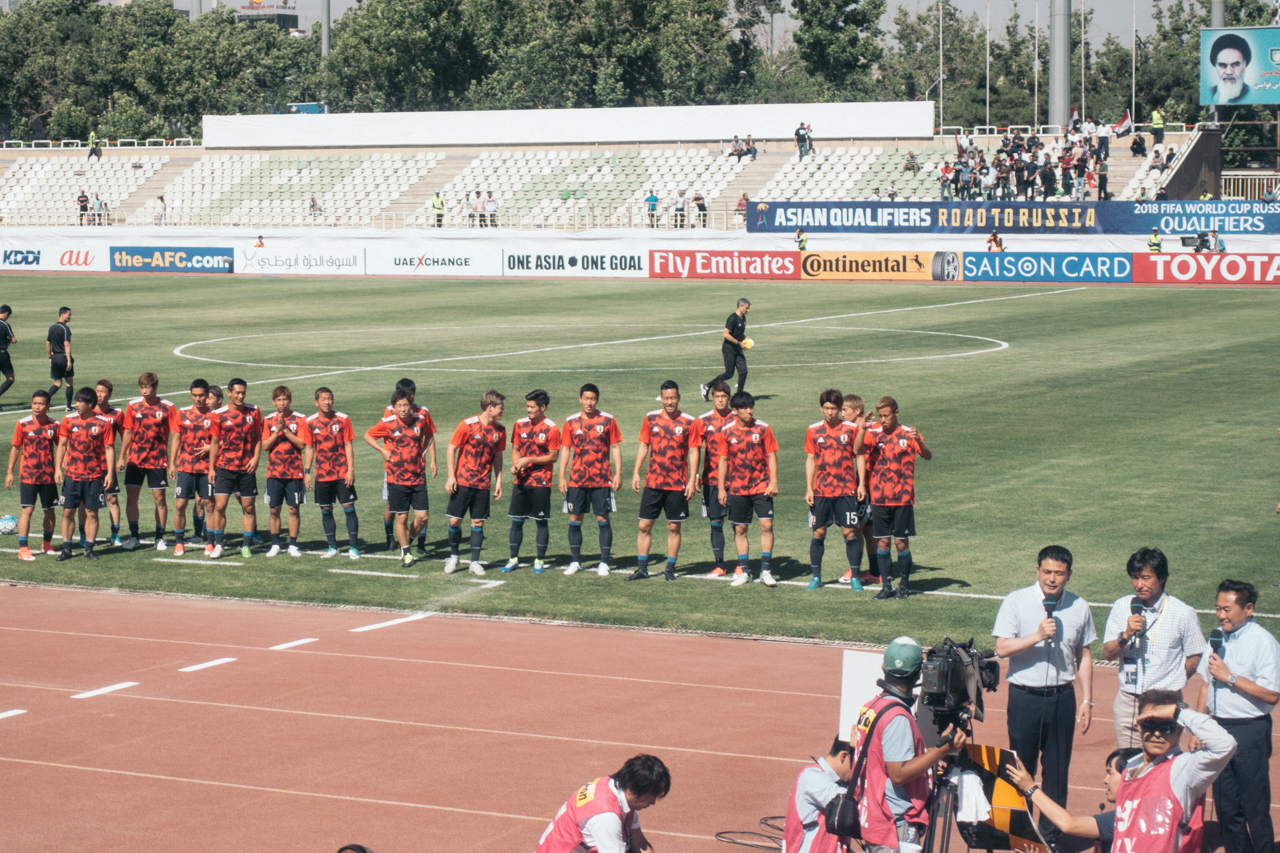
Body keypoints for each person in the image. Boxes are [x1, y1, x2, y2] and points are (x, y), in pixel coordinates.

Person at [1008, 681, 1236, 853]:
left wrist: (1178, 712)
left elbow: (1225, 744)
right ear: (1138, 726)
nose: (1157, 733)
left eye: (1166, 726)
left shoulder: (1184, 769)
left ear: (1179, 730)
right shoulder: (1129, 770)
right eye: (1149, 723)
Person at [992, 545, 1097, 849]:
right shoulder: (1016, 601)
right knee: (1020, 769)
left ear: (1069, 574)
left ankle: (1048, 840)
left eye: (1059, 573)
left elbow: (1084, 653)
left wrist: (1087, 699)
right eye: (1047, 572)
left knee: (1057, 774)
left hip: (1062, 699)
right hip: (1025, 698)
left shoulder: (1079, 607)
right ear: (1037, 570)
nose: (1052, 579)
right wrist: (1037, 636)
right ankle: (1021, 838)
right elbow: (1002, 648)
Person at [852, 637, 967, 853]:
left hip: (874, 815)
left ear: (884, 667)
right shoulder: (897, 717)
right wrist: (943, 749)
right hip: (893, 824)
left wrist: (933, 753)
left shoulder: (871, 707)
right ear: (920, 674)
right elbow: (898, 773)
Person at [1194, 579, 1280, 853]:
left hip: (1249, 730)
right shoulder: (1216, 638)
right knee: (1226, 808)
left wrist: (1230, 677)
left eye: (1228, 609)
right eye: (1218, 608)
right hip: (1218, 729)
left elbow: (1271, 695)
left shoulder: (1264, 642)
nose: (1221, 615)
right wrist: (1199, 725)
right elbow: (1206, 684)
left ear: (1249, 608)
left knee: (1254, 807)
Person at [1103, 548, 1206, 748]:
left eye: (1146, 578)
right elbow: (1108, 654)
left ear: (1162, 578)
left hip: (1165, 702)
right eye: (1135, 578)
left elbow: (1195, 656)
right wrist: (1125, 636)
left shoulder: (1183, 613)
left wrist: (1173, 680)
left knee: (1162, 766)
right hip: (1128, 701)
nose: (1139, 585)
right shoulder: (1122, 606)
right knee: (1128, 767)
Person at [854, 397, 931, 600]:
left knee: (901, 544)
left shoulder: (909, 433)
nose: (883, 419)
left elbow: (927, 455)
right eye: (881, 416)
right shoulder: (874, 433)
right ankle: (886, 586)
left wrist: (920, 441)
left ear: (896, 413)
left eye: (886, 415)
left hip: (903, 499)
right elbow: (857, 450)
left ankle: (904, 586)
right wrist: (862, 428)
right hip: (879, 499)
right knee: (882, 543)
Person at [628, 381, 703, 582]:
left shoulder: (689, 422)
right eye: (666, 398)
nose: (670, 402)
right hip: (653, 483)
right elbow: (644, 445)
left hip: (677, 484)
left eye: (673, 398)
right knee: (644, 526)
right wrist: (636, 472)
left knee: (673, 527)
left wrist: (692, 479)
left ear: (678, 398)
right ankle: (642, 568)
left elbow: (695, 451)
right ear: (661, 398)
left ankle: (670, 568)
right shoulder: (651, 418)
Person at [534, 754, 670, 853]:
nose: (652, 802)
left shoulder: (614, 787)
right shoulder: (606, 816)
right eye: (650, 797)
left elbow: (639, 843)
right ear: (632, 790)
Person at [804, 389, 866, 592]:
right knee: (819, 533)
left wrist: (861, 484)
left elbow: (859, 455)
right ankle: (816, 577)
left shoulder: (851, 428)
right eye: (826, 408)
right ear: (821, 408)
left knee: (849, 534)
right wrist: (809, 488)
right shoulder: (813, 429)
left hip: (846, 490)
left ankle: (855, 576)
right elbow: (811, 459)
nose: (830, 412)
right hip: (821, 491)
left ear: (840, 409)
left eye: (834, 409)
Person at [365, 388, 434, 568]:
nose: (403, 409)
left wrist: (424, 450)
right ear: (394, 408)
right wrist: (382, 451)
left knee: (422, 517)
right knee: (401, 517)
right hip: (396, 479)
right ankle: (406, 552)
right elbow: (368, 435)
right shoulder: (387, 422)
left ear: (411, 406)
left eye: (405, 405)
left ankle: (408, 538)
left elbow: (430, 434)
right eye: (399, 406)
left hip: (418, 477)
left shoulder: (420, 420)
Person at [557, 383, 622, 577]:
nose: (589, 402)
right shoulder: (570, 422)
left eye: (592, 399)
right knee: (575, 518)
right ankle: (576, 561)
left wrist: (618, 473)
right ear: (580, 399)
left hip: (601, 480)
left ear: (597, 400)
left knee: (602, 518)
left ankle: (604, 562)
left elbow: (616, 447)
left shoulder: (608, 420)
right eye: (586, 398)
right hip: (577, 480)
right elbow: (566, 450)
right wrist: (561, 476)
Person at [716, 391, 779, 587]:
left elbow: (771, 455)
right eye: (745, 407)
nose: (749, 410)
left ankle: (766, 570)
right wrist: (721, 489)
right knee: (740, 529)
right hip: (738, 489)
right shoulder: (726, 432)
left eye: (751, 407)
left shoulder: (763, 429)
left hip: (761, 486)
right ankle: (744, 571)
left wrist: (773, 481)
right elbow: (723, 460)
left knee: (766, 526)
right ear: (734, 411)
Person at [444, 390, 507, 575]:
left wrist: (499, 481)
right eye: (500, 408)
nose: (503, 411)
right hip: (462, 482)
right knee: (455, 521)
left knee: (478, 522)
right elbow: (451, 449)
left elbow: (498, 456)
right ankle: (454, 557)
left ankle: (474, 562)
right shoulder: (467, 425)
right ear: (490, 408)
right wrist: (451, 476)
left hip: (482, 485)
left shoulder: (500, 430)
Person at [118, 372, 179, 551]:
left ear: (155, 387)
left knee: (159, 499)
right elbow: (127, 432)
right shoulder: (133, 406)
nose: (144, 391)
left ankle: (159, 537)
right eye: (142, 387)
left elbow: (176, 434)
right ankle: (134, 536)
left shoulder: (168, 407)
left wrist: (172, 462)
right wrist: (122, 456)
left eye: (147, 387)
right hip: (135, 461)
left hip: (158, 461)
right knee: (132, 498)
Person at [54, 387, 115, 561]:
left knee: (92, 513)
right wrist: (58, 468)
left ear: (90, 404)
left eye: (80, 401)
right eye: (76, 401)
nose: (76, 404)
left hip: (94, 477)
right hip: (72, 477)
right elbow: (62, 445)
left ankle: (89, 548)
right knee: (67, 512)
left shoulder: (103, 423)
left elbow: (110, 449)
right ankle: (66, 549)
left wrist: (109, 473)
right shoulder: (68, 420)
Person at [504, 389, 559, 574]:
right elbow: (515, 449)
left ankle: (540, 560)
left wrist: (528, 460)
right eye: (527, 406)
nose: (528, 410)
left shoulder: (552, 428)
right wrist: (516, 465)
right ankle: (513, 559)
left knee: (541, 521)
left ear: (542, 407)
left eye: (532, 407)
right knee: (517, 520)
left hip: (541, 482)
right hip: (521, 481)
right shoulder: (519, 424)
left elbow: (553, 457)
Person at [379, 378, 437, 554]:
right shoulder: (390, 411)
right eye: (405, 394)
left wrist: (433, 459)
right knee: (392, 507)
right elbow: (386, 433)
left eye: (411, 394)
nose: (408, 399)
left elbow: (430, 435)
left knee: (421, 511)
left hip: (417, 469)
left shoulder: (423, 412)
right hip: (395, 470)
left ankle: (419, 542)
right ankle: (390, 537)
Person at [207, 378, 261, 560]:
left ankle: (246, 545)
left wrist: (256, 457)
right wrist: (212, 468)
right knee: (220, 506)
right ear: (229, 393)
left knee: (249, 507)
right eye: (237, 392)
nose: (240, 396)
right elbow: (214, 443)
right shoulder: (219, 414)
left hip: (246, 469)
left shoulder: (254, 411)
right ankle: (219, 544)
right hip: (224, 467)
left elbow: (257, 437)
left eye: (243, 392)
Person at [304, 386, 358, 560]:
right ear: (316, 402)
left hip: (342, 473)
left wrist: (350, 469)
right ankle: (332, 547)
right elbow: (309, 448)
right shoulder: (310, 422)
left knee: (348, 508)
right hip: (322, 475)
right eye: (324, 399)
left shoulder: (342, 419)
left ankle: (354, 547)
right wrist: (307, 472)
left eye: (330, 398)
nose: (327, 402)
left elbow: (348, 444)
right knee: (326, 510)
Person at [7, 390, 61, 560]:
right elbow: (15, 448)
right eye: (34, 403)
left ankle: (46, 543)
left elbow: (61, 447)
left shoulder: (54, 425)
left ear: (48, 406)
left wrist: (61, 467)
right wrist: (10, 472)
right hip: (28, 476)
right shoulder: (22, 424)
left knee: (50, 512)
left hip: (48, 477)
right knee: (27, 510)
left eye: (41, 403)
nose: (37, 407)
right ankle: (23, 548)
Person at [261, 386, 310, 558]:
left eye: (285, 399)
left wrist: (286, 430)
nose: (282, 403)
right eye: (279, 400)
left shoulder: (300, 419)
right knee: (274, 510)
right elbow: (265, 446)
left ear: (290, 400)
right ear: (274, 402)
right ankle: (275, 544)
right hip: (274, 473)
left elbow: (301, 444)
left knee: (293, 509)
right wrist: (277, 431)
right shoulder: (267, 420)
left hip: (294, 473)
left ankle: (293, 545)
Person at [782, 737, 854, 853]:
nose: (860, 773)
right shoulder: (812, 776)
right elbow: (847, 806)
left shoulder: (839, 782)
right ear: (844, 757)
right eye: (858, 766)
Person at [169, 379, 215, 557]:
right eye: (195, 395)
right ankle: (179, 542)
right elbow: (176, 439)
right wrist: (172, 463)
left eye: (201, 395)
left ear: (207, 395)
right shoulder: (182, 413)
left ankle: (210, 542)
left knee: (210, 505)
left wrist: (210, 448)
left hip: (206, 468)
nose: (198, 399)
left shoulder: (214, 416)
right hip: (185, 467)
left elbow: (220, 442)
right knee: (180, 504)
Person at [698, 380, 734, 578]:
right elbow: (695, 449)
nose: (720, 400)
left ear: (728, 398)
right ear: (712, 398)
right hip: (711, 480)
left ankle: (740, 564)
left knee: (738, 523)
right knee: (716, 522)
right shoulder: (703, 420)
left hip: (736, 480)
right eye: (717, 397)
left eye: (723, 397)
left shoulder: (737, 418)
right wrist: (695, 475)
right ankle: (720, 565)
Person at [92, 379, 124, 546]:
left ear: (109, 394)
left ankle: (115, 534)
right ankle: (85, 536)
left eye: (102, 391)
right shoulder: (88, 412)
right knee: (87, 503)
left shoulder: (116, 414)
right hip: (88, 466)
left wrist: (121, 457)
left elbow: (125, 436)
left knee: (112, 499)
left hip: (107, 465)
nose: (99, 394)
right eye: (97, 391)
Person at [700, 298, 750, 401]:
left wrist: (744, 338)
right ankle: (707, 386)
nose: (748, 310)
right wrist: (738, 343)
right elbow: (725, 334)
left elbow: (738, 333)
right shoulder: (732, 318)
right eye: (746, 308)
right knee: (729, 373)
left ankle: (739, 396)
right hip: (729, 349)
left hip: (737, 349)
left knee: (743, 371)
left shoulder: (743, 318)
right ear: (740, 306)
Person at [1210, 33, 1253, 105]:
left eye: (1235, 64)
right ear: (1216, 66)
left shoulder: (1253, 94)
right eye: (1222, 65)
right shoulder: (1209, 93)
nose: (1229, 72)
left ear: (1244, 64)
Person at [46, 307, 73, 413]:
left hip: (55, 357)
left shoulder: (52, 327)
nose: (70, 316)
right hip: (63, 357)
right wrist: (69, 360)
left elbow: (48, 343)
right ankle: (68, 406)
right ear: (62, 314)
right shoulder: (65, 328)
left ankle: (44, 401)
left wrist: (50, 357)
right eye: (68, 314)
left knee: (57, 383)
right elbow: (66, 344)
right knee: (69, 383)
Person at [0, 304, 16, 411]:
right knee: (10, 378)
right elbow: (13, 340)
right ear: (6, 313)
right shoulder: (5, 324)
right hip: (2, 354)